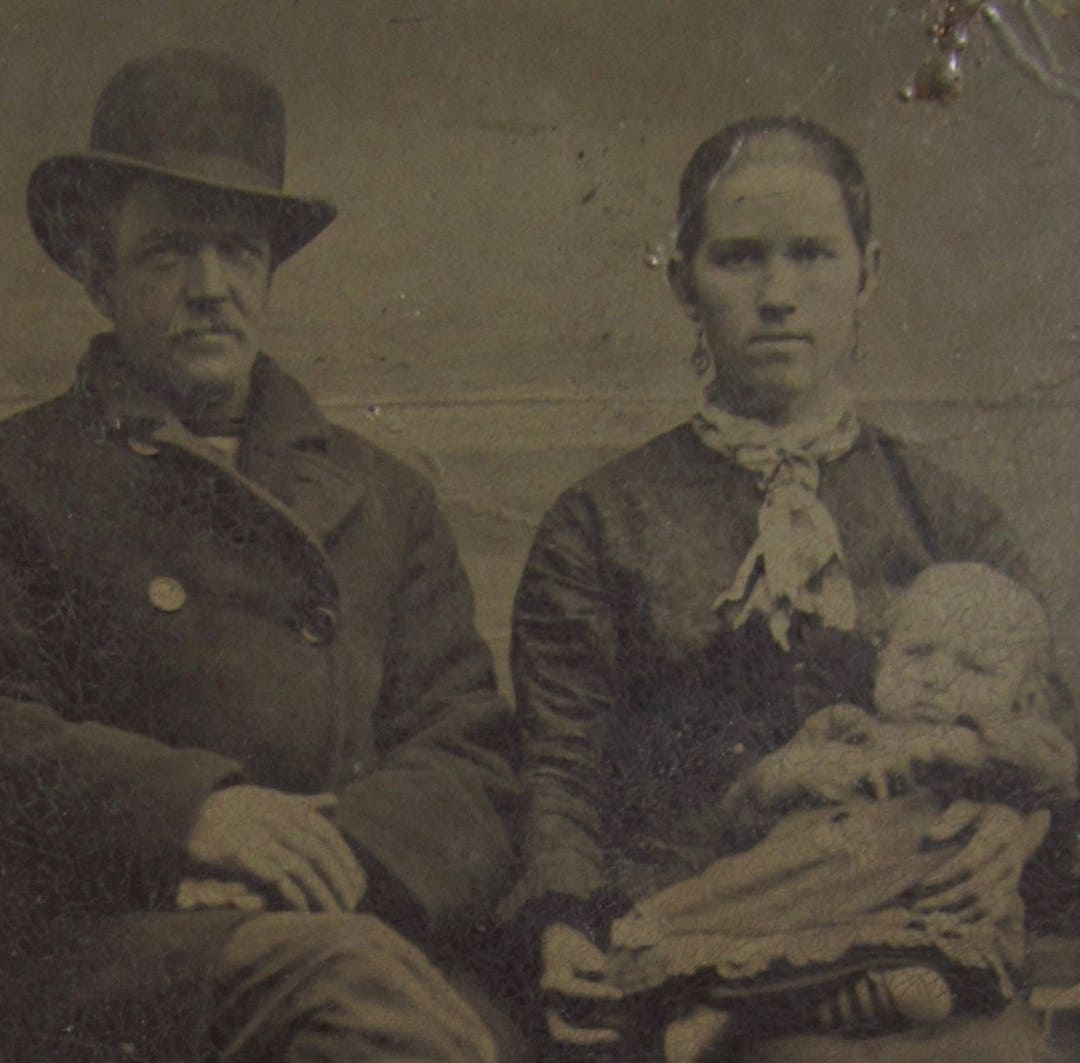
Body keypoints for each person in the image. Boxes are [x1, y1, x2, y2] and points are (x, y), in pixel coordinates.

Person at [503, 116, 1077, 1060]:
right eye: (738, 258)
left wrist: (1019, 828)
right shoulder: (601, 522)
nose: (777, 296)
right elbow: (559, 767)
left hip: (912, 939)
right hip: (695, 944)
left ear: (868, 273)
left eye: (812, 254)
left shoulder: (947, 516)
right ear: (683, 280)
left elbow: (1047, 734)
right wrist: (562, 923)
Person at [0, 49, 517, 1061]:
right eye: (167, 252)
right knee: (361, 1003)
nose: (210, 288)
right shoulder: (20, 481)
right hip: (109, 953)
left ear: (269, 273)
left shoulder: (382, 495)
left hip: (350, 914)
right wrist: (194, 812)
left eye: (237, 251)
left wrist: (315, 861)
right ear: (99, 274)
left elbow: (468, 752)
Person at [607, 562, 1078, 1050]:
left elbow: (1055, 765)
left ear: (1024, 699)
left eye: (975, 668)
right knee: (776, 939)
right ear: (881, 657)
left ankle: (755, 1013)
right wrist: (783, 773)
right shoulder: (844, 728)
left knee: (929, 979)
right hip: (815, 906)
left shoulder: (1008, 750)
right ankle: (729, 1014)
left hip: (927, 923)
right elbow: (752, 804)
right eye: (917, 653)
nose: (936, 679)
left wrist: (944, 747)